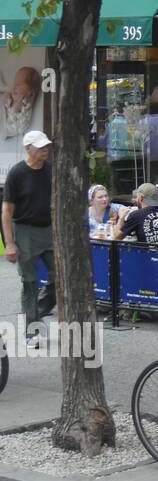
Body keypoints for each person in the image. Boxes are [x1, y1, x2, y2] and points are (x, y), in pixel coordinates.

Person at [3, 130, 56, 332]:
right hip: (25, 230)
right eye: (40, 146)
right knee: (30, 281)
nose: (45, 150)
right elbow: (7, 211)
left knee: (59, 275)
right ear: (28, 148)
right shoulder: (17, 173)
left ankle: (37, 310)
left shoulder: (51, 170)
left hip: (49, 229)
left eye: (46, 146)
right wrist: (10, 243)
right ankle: (32, 328)